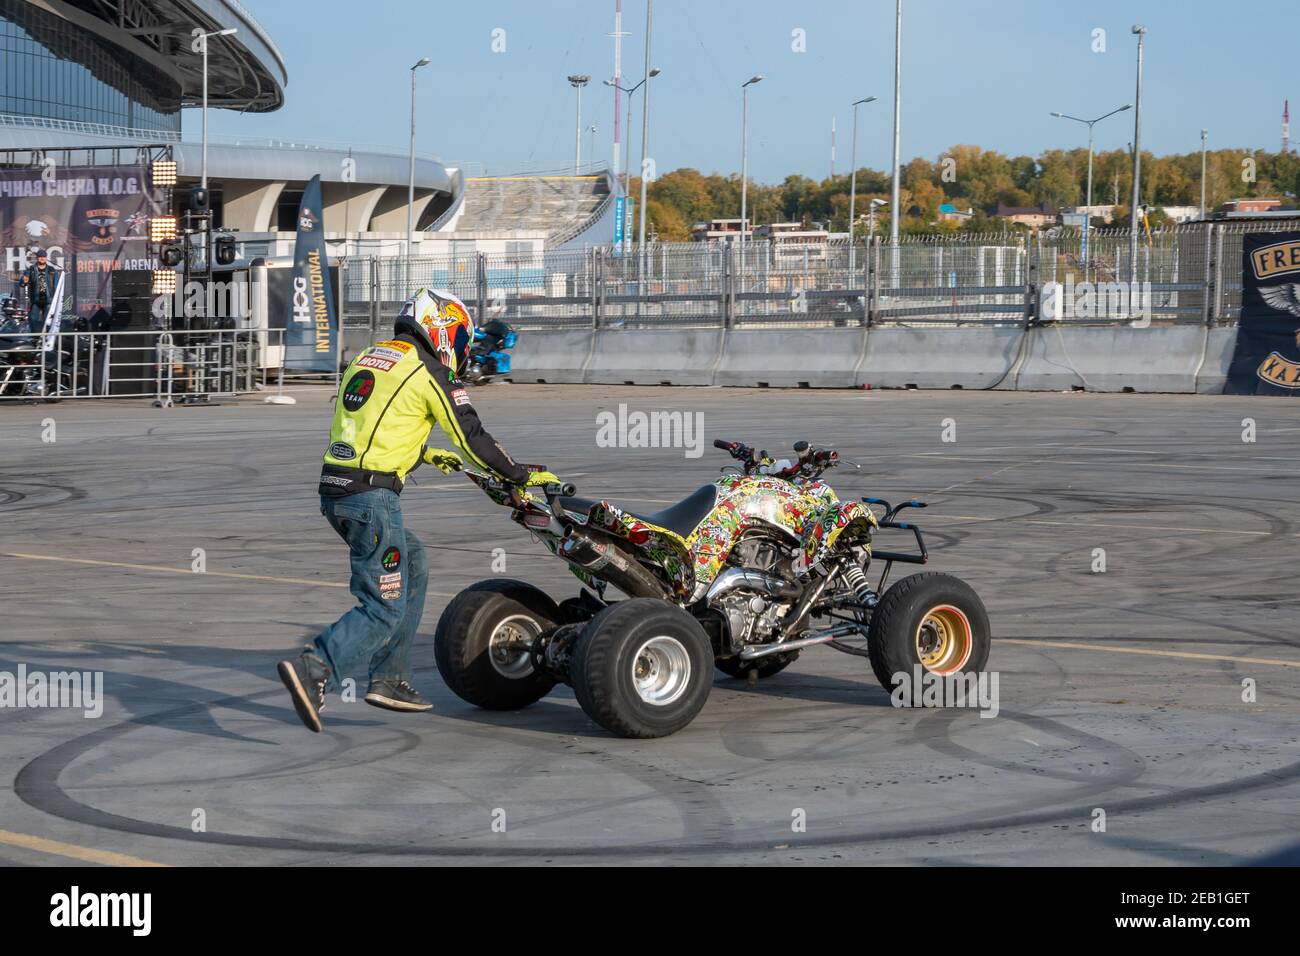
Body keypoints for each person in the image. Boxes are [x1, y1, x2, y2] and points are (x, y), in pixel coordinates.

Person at [277, 288, 560, 733]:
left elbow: (371, 424)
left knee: (415, 561)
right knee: (382, 607)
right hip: (372, 499)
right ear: (443, 329)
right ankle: (317, 666)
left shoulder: (372, 356)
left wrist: (424, 453)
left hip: (337, 489)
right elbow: (472, 435)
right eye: (461, 338)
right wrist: (521, 476)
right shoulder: (428, 371)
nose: (463, 350)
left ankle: (390, 679)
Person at [20, 249, 59, 334]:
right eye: (40, 257)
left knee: (48, 322)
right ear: (37, 258)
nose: (42, 258)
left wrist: (56, 299)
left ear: (46, 258)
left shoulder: (52, 270)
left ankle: (47, 340)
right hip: (35, 301)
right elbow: (22, 283)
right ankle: (35, 338)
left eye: (43, 257)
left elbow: (57, 286)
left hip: (48, 301)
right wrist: (24, 281)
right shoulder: (31, 270)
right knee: (33, 320)